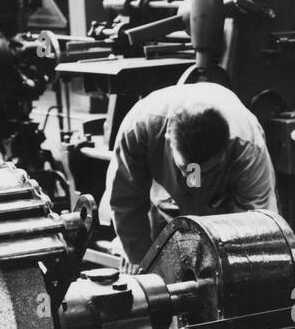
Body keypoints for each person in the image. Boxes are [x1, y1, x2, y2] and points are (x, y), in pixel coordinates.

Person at [101, 82, 278, 268]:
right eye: (188, 169)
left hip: (223, 205)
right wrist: (140, 262)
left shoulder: (247, 147)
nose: (195, 178)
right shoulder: (139, 129)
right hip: (165, 203)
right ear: (168, 139)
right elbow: (126, 202)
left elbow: (257, 223)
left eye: (206, 170)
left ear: (226, 148)